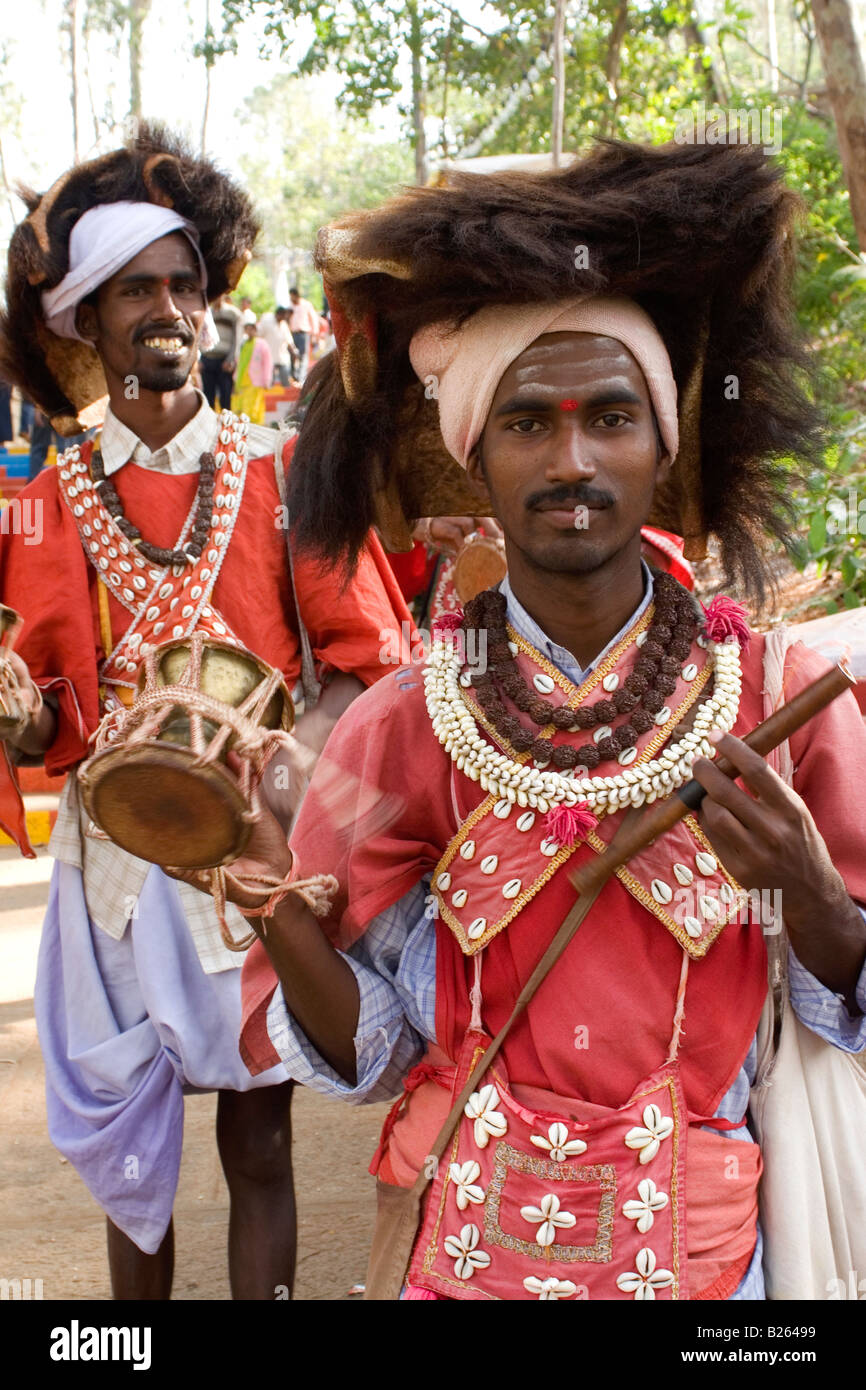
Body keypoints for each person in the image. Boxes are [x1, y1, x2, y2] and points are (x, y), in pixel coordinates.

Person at [232, 140, 866, 1301]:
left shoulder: (780, 700)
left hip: (710, 1263)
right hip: (465, 1254)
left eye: (609, 416)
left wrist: (815, 902)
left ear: (658, 443)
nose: (570, 460)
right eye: (527, 422)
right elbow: (366, 1050)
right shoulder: (398, 727)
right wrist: (278, 905)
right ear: (473, 451)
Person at [0, 124, 414, 1301]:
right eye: (138, 289)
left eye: (185, 284)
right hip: (113, 873)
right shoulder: (47, 495)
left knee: (260, 1143)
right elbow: (53, 726)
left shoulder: (281, 473)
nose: (170, 308)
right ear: (87, 318)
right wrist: (26, 720)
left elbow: (359, 657)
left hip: (251, 859)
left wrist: (295, 775)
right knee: (135, 1159)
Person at [199, 293, 243, 411]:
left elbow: (237, 339)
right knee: (208, 397)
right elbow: (198, 335)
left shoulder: (233, 314)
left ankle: (226, 426)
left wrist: (231, 360)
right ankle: (209, 426)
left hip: (224, 360)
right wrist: (199, 359)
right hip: (207, 358)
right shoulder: (205, 313)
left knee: (225, 396)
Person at [231, 321, 273, 425]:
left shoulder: (262, 344)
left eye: (251, 329)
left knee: (254, 409)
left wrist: (267, 380)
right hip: (242, 382)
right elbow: (240, 362)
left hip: (255, 382)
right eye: (247, 329)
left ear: (255, 330)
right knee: (242, 408)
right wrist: (236, 378)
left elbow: (267, 363)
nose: (249, 331)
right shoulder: (244, 344)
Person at [258, 306, 295, 387]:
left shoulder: (283, 324)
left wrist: (293, 350)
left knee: (285, 380)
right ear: (278, 314)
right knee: (269, 381)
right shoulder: (266, 321)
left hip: (282, 357)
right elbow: (258, 336)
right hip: (269, 357)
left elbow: (289, 340)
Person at [288, 287, 318, 383]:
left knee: (303, 356)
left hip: (303, 333)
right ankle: (294, 376)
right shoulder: (290, 306)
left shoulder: (306, 305)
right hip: (292, 334)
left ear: (296, 295)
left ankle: (301, 378)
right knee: (292, 355)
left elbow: (313, 319)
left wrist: (314, 334)